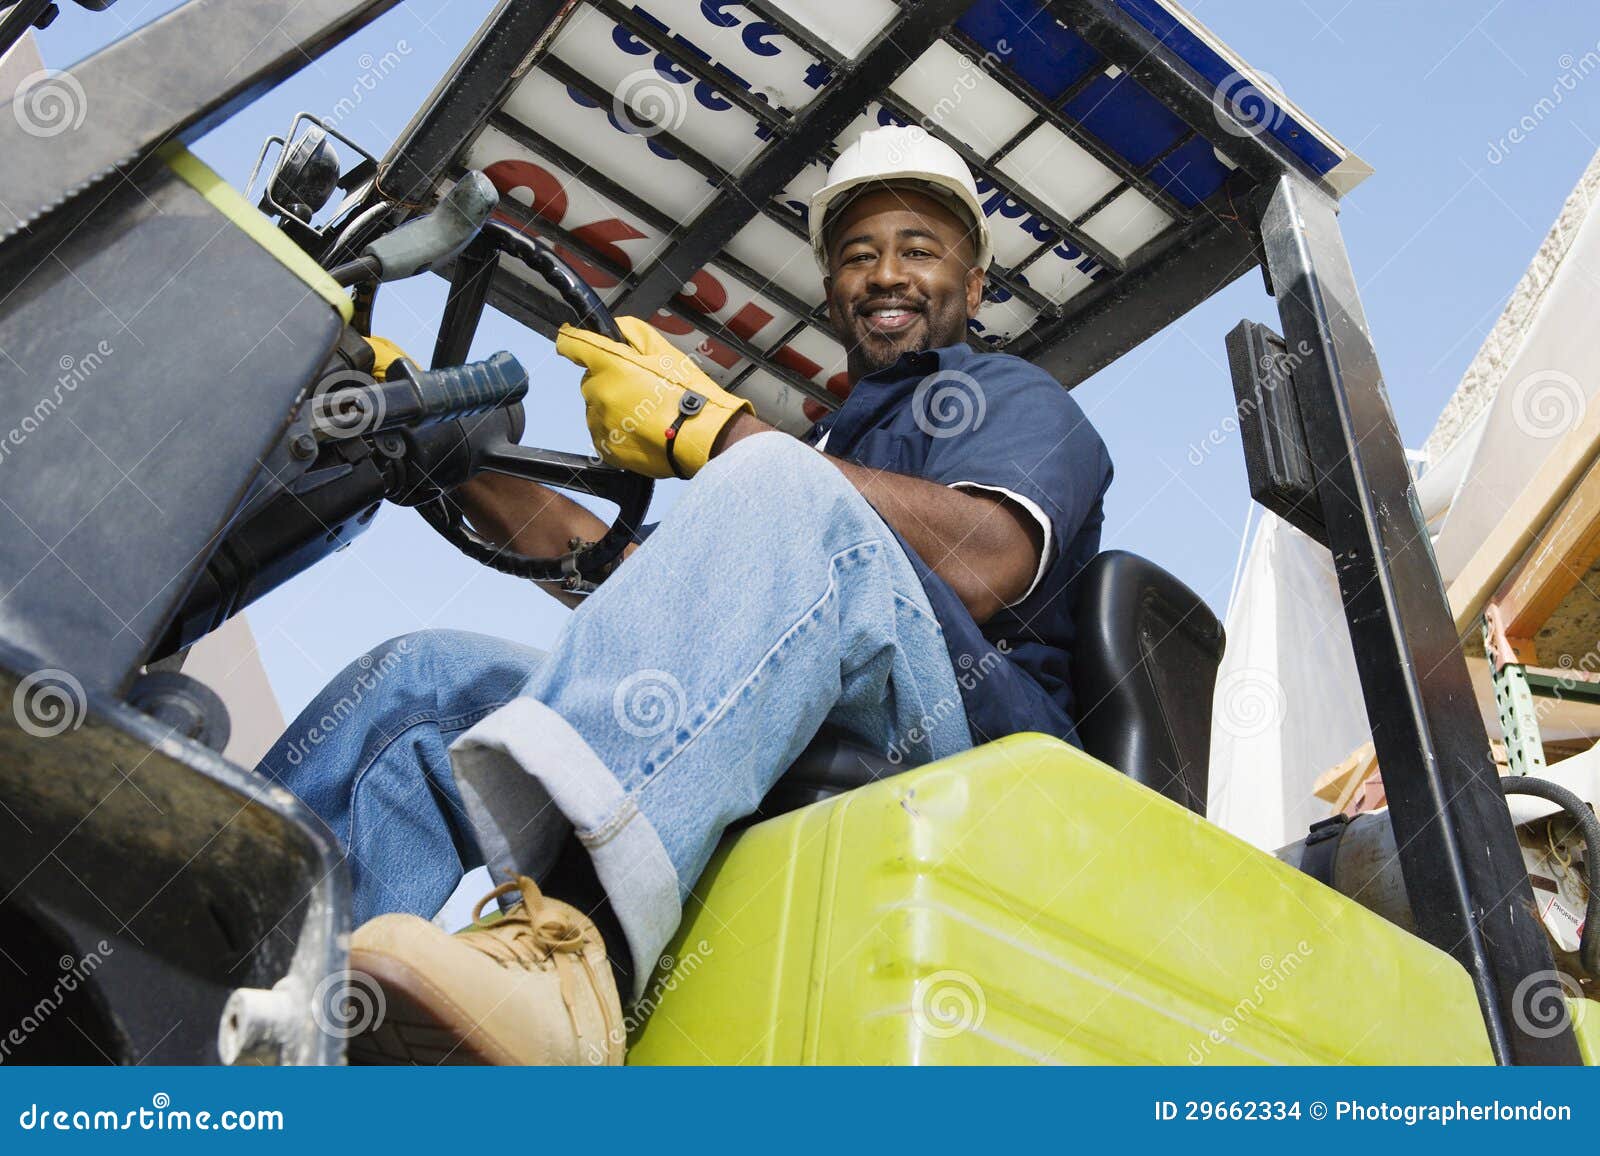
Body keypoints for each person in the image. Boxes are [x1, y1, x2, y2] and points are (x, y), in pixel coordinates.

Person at [260, 126, 1113, 1065]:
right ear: (832, 286)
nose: (886, 275)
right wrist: (448, 459)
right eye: (859, 256)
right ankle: (254, 993)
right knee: (427, 680)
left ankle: (567, 956)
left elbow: (987, 559)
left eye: (919, 250)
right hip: (799, 706)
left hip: (979, 758)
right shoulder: (817, 458)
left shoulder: (1009, 397)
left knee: (780, 483)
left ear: (975, 284)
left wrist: (718, 429)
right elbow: (633, 580)